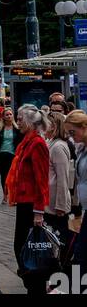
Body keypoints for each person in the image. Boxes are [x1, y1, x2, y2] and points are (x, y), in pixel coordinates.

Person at [7, 104, 52, 297]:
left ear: (31, 122)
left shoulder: (38, 143)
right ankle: (32, 283)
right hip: (23, 202)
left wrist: (39, 212)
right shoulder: (25, 141)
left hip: (31, 205)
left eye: (20, 118)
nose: (17, 121)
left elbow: (42, 180)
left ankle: (36, 286)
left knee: (28, 248)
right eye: (17, 118)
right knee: (21, 247)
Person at [45, 109, 73, 247]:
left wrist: (61, 205)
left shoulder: (58, 147)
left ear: (54, 126)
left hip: (56, 205)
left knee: (62, 241)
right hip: (49, 202)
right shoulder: (51, 143)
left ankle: (71, 268)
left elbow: (63, 178)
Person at [64, 110, 87, 278]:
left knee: (81, 256)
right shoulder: (81, 148)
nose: (71, 136)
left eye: (73, 132)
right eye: (68, 133)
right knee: (80, 255)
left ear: (84, 127)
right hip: (85, 208)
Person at [0, 107, 19, 202]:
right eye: (7, 114)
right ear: (3, 117)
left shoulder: (17, 129)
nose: (9, 116)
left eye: (10, 114)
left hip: (13, 155)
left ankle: (13, 196)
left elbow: (20, 142)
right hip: (1, 155)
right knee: (4, 176)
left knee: (13, 176)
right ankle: (5, 195)